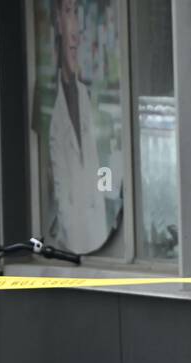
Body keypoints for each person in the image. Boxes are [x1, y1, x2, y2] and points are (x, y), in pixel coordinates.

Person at [45, 0, 118, 254]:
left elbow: (102, 172)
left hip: (98, 240)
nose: (76, 30)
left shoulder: (85, 97)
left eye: (78, 14)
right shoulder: (46, 105)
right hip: (68, 250)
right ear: (57, 21)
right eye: (68, 12)